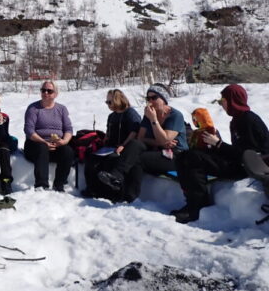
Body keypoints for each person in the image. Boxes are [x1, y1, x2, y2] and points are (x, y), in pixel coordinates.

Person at [172, 84, 269, 223]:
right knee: (185, 155)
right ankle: (191, 203)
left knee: (194, 158)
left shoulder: (249, 120)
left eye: (222, 101)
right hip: (239, 162)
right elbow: (238, 151)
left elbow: (250, 156)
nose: (221, 104)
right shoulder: (237, 119)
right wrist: (214, 145)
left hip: (250, 169)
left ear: (233, 101)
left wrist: (218, 144)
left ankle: (197, 207)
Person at [97, 83, 189, 194]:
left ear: (164, 98)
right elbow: (141, 138)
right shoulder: (148, 114)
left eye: (154, 97)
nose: (150, 101)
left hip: (176, 155)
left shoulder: (175, 116)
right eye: (148, 98)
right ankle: (117, 176)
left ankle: (129, 194)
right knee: (134, 144)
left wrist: (154, 120)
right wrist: (160, 142)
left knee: (138, 159)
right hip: (158, 150)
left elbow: (164, 138)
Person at [82, 89, 141, 201]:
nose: (108, 105)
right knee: (91, 158)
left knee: (111, 160)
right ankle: (93, 189)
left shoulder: (130, 113)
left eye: (110, 102)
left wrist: (124, 145)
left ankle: (113, 193)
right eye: (107, 102)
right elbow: (109, 133)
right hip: (110, 146)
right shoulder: (112, 116)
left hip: (124, 147)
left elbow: (134, 131)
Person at [23, 81, 74, 191]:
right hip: (35, 145)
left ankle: (59, 184)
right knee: (42, 148)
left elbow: (68, 129)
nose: (45, 93)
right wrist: (44, 142)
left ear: (56, 94)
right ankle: (41, 184)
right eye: (43, 90)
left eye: (49, 91)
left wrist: (64, 141)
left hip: (56, 145)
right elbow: (29, 130)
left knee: (68, 151)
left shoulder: (62, 109)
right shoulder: (33, 108)